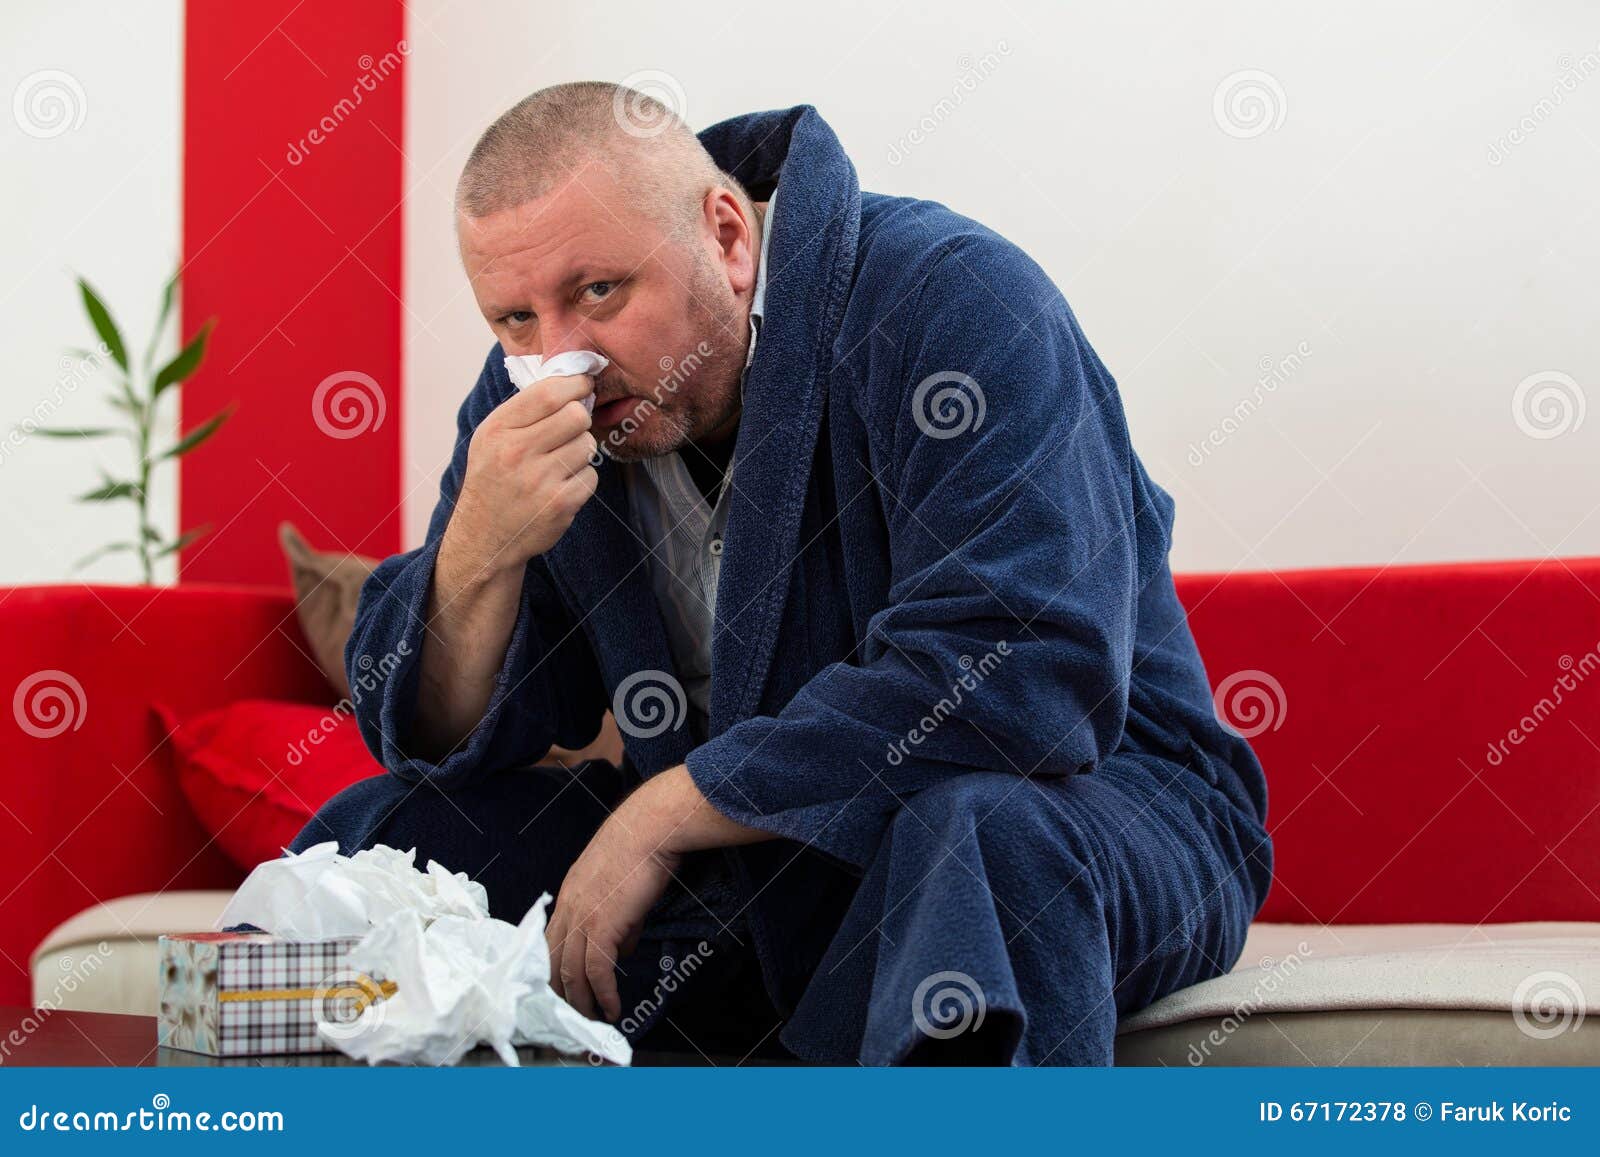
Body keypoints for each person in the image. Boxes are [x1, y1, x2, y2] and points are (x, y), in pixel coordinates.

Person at [292, 82, 1273, 1065]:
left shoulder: (953, 301)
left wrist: (666, 809)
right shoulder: (537, 395)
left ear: (726, 234)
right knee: (383, 835)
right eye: (513, 317)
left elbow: (1022, 672)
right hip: (757, 870)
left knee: (977, 841)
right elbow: (441, 729)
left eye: (600, 293)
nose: (561, 358)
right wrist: (474, 555)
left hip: (1095, 810)